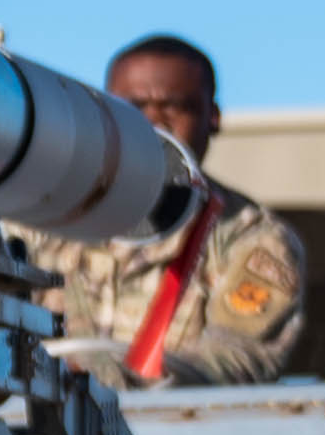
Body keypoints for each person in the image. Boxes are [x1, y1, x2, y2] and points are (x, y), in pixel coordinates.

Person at [24, 33, 307, 386]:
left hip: (176, 419)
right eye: (133, 107)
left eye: (175, 107)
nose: (153, 124)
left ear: (213, 118)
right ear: (105, 114)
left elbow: (237, 356)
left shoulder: (249, 237)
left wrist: (109, 382)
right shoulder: (39, 218)